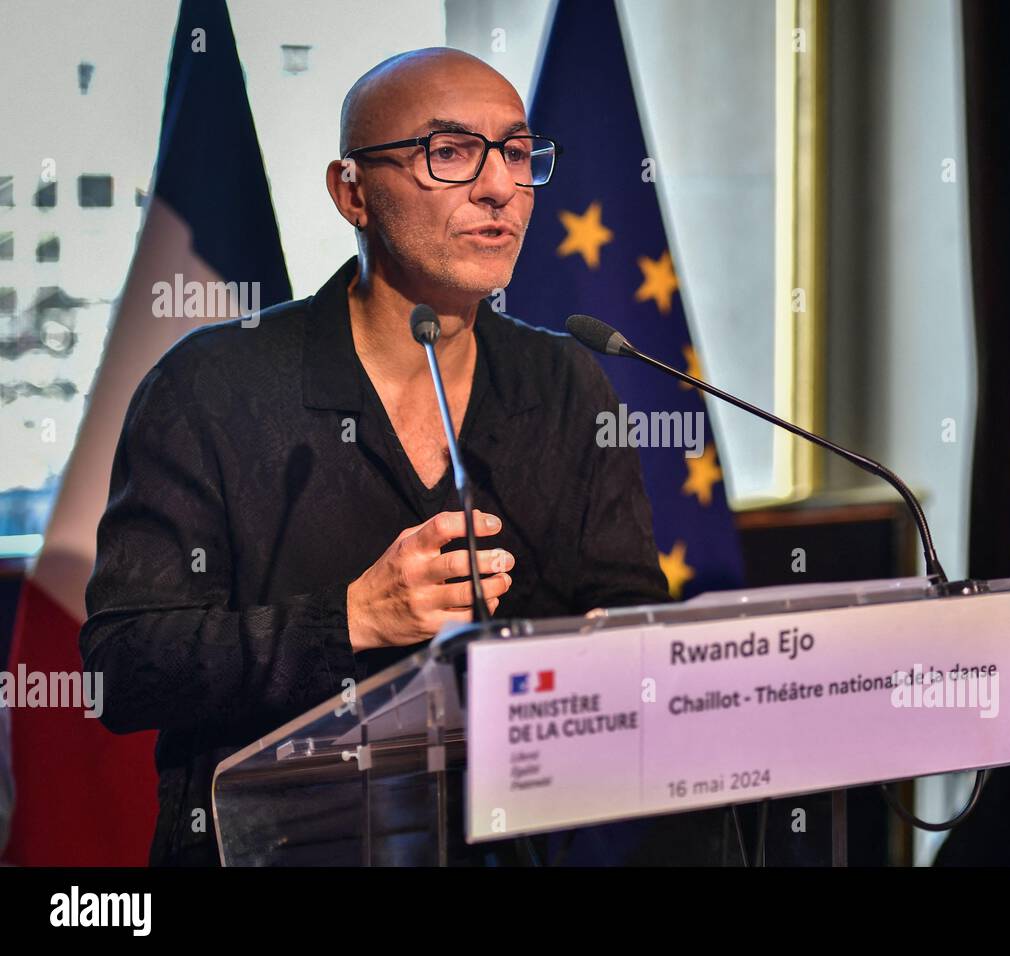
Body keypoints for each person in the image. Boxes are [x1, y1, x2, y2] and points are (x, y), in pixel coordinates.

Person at [81, 48, 673, 866]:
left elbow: (627, 615)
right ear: (350, 191)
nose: (499, 187)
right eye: (452, 152)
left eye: (517, 152)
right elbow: (123, 668)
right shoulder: (210, 384)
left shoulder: (563, 377)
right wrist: (353, 619)